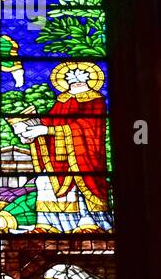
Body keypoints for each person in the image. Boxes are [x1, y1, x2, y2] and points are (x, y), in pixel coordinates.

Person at [12, 62, 111, 231]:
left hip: (84, 154)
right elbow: (50, 121)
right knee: (43, 181)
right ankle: (47, 224)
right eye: (71, 75)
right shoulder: (62, 100)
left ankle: (88, 223)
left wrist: (46, 130)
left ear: (89, 78)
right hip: (58, 155)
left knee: (81, 183)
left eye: (80, 74)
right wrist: (27, 127)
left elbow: (88, 126)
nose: (75, 77)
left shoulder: (96, 100)